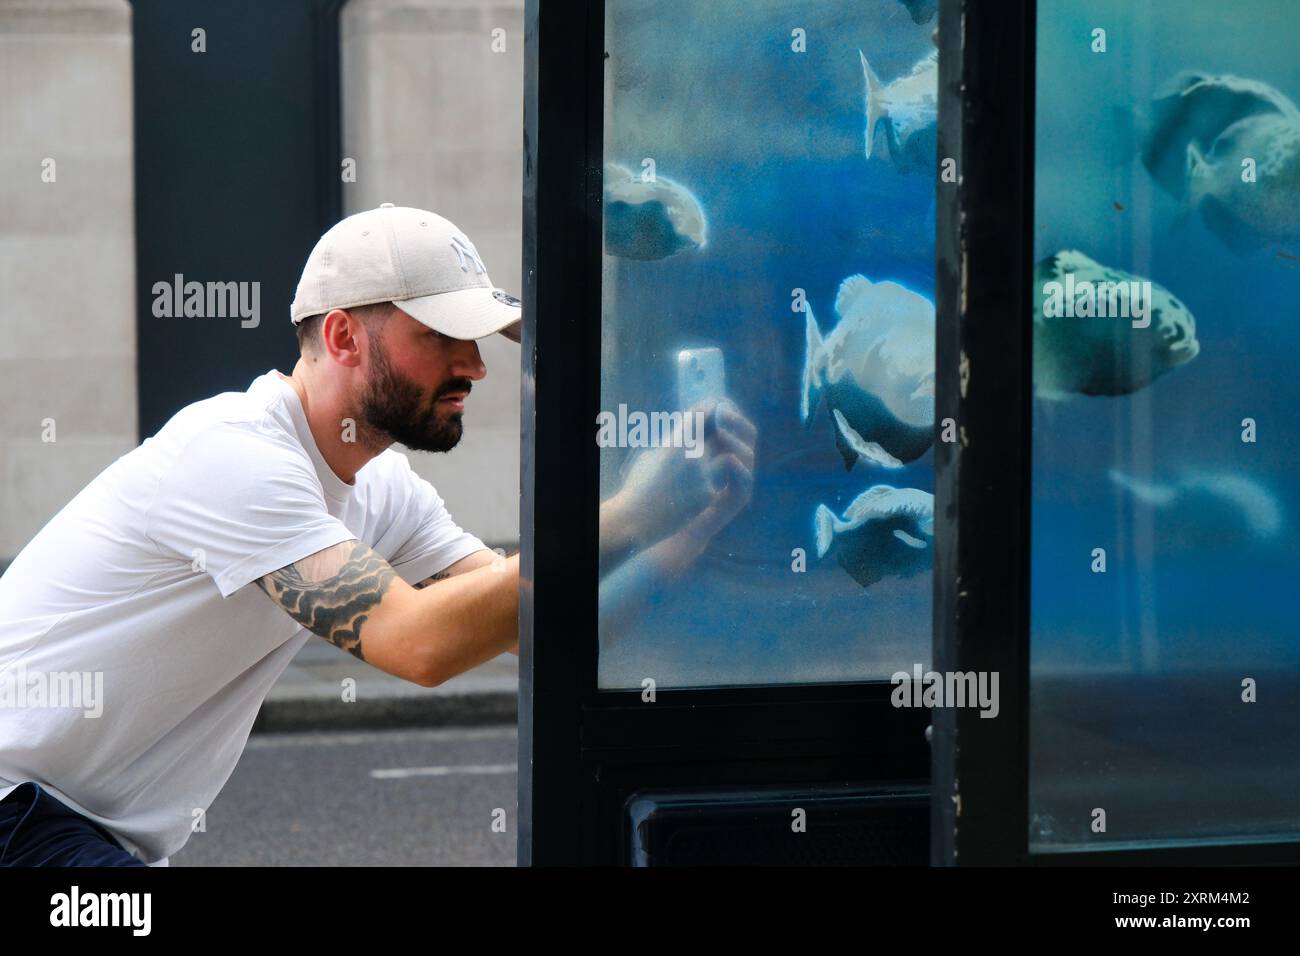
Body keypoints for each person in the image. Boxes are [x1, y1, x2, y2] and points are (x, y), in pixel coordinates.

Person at [0, 205, 525, 866]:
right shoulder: (237, 458)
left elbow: (526, 619)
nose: (475, 366)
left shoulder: (386, 490)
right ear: (342, 337)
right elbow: (417, 642)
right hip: (17, 805)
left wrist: (668, 514)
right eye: (443, 335)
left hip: (76, 829)